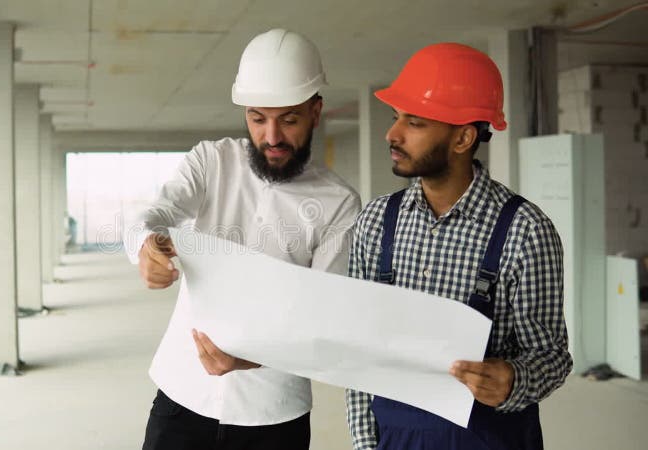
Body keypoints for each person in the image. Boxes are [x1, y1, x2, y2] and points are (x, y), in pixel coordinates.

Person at [127, 28, 361, 450]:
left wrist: (254, 357)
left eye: (288, 119)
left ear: (316, 111)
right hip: (181, 397)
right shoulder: (211, 161)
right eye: (257, 118)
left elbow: (324, 319)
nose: (271, 136)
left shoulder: (339, 203)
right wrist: (147, 243)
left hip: (273, 414)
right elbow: (156, 213)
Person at [345, 43, 572, 450]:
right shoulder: (377, 221)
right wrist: (365, 441)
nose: (392, 134)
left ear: (463, 137)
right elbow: (360, 349)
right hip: (393, 438)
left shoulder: (525, 231)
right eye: (396, 118)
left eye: (414, 123)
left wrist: (513, 380)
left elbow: (551, 355)